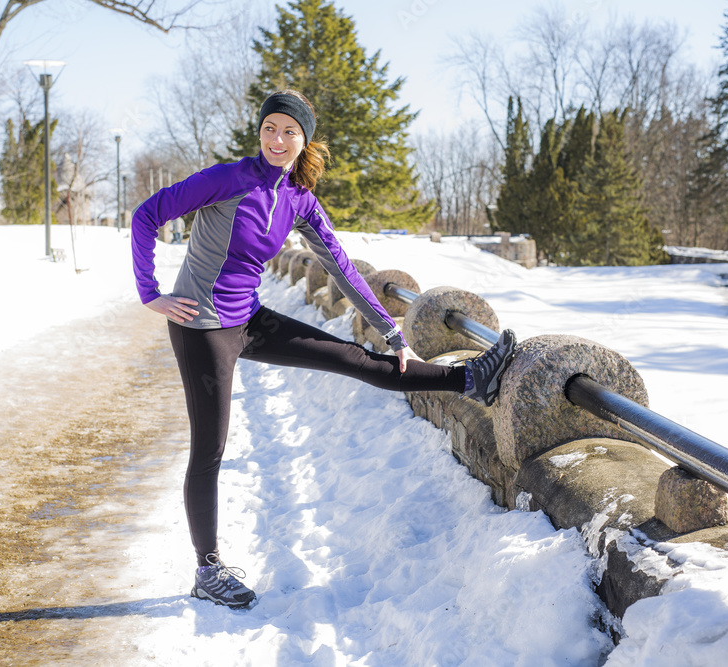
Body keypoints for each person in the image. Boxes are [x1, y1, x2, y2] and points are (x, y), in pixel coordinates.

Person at [131, 90, 517, 609]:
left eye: (290, 131)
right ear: (260, 132)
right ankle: (207, 569)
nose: (277, 139)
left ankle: (469, 380)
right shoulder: (227, 178)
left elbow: (341, 267)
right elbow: (147, 215)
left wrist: (391, 327)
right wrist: (150, 293)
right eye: (270, 127)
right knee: (211, 449)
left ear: (304, 140)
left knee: (354, 359)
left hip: (248, 317)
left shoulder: (299, 200)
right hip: (200, 325)